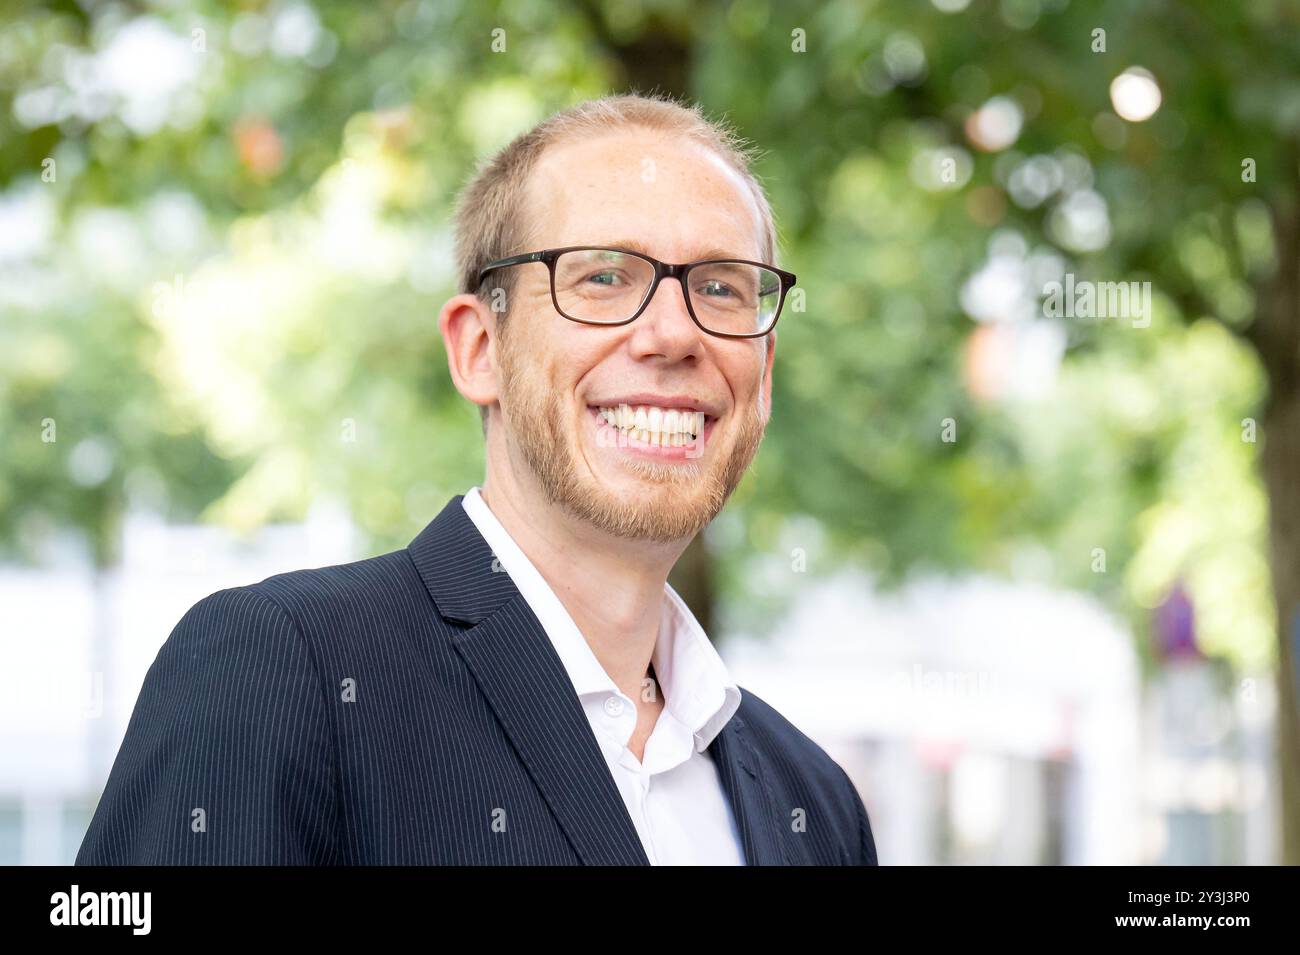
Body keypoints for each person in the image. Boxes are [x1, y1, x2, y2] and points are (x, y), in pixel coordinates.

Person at [77, 93, 878, 866]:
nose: (672, 332)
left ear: (763, 374)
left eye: (719, 288)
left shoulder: (816, 805)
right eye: (603, 277)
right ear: (478, 349)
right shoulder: (284, 673)